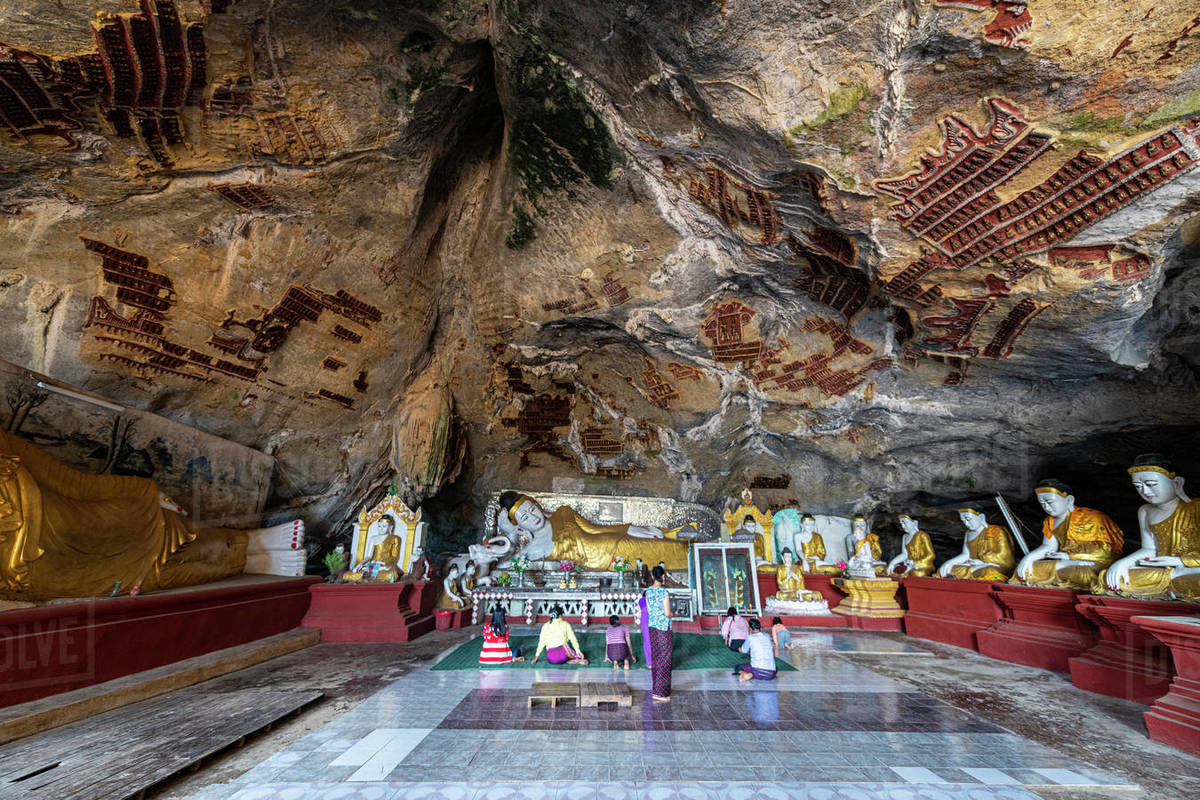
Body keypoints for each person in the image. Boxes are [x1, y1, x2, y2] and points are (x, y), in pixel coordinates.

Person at [645, 565, 675, 702]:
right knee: (665, 658)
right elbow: (667, 613)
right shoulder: (664, 592)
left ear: (652, 576)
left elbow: (651, 610)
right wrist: (675, 614)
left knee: (657, 657)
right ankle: (661, 693)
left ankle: (657, 689)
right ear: (663, 577)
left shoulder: (648, 592)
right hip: (663, 628)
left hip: (653, 628)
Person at [637, 591, 653, 669]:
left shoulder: (641, 600)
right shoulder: (653, 599)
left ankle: (649, 663)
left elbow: (639, 614)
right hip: (654, 618)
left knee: (647, 640)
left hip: (645, 619)